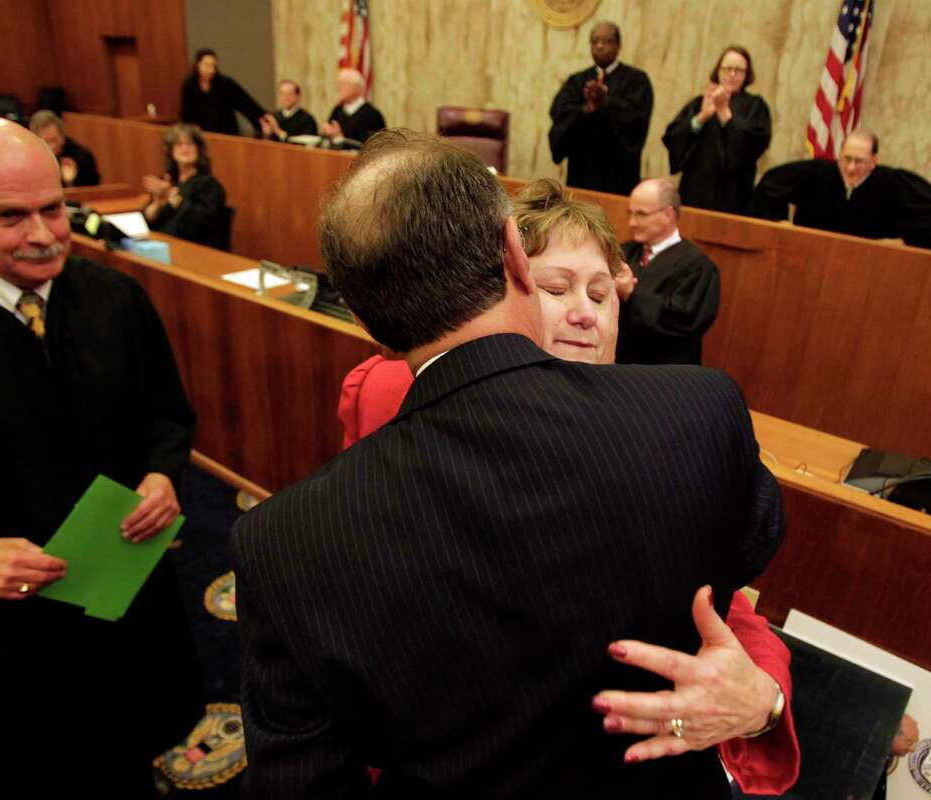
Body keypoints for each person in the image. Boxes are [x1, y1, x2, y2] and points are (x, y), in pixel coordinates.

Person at [232, 129, 784, 798]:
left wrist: (764, 694)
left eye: (600, 292)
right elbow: (734, 561)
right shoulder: (704, 408)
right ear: (517, 258)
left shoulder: (279, 543)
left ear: (364, 320)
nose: (583, 313)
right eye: (561, 288)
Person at [0, 116, 201, 799]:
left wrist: (162, 472)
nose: (42, 236)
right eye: (11, 217)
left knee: (126, 756)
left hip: (117, 603)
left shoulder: (113, 298)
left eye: (54, 208)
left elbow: (165, 414)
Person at [750, 130, 931, 254]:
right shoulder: (819, 173)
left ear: (874, 161)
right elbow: (770, 185)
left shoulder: (893, 183)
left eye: (860, 161)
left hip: (867, 274)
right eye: (846, 159)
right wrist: (780, 223)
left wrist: (904, 242)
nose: (851, 168)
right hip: (810, 260)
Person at [613, 178, 719, 365]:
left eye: (641, 214)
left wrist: (632, 294)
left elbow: (684, 321)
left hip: (663, 374)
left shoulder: (698, 267)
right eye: (630, 213)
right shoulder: (625, 251)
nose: (632, 223)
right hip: (617, 364)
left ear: (668, 214)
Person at [548, 21, 654, 196]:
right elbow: (559, 113)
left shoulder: (637, 80)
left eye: (607, 41)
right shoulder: (577, 81)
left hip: (619, 176)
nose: (600, 46)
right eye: (595, 41)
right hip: (581, 172)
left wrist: (608, 102)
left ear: (619, 45)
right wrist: (586, 110)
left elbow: (638, 120)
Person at [662, 46, 771, 215]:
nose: (732, 74)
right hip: (695, 187)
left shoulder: (756, 106)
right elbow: (673, 136)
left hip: (734, 192)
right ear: (718, 70)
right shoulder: (700, 102)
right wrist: (702, 117)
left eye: (739, 70)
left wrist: (725, 114)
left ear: (747, 74)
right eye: (728, 68)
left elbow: (755, 143)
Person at [142, 123, 228, 249]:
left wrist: (173, 197)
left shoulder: (210, 186)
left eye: (190, 144)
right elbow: (148, 224)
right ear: (171, 151)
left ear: (199, 150)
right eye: (179, 144)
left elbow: (194, 228)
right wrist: (157, 206)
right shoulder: (168, 180)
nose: (185, 149)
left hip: (195, 251)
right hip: (163, 246)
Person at [179, 47, 266, 136]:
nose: (210, 70)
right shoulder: (189, 85)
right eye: (207, 65)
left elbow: (245, 103)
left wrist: (263, 119)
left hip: (226, 132)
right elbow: (186, 113)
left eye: (213, 66)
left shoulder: (225, 84)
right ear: (198, 64)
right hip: (202, 135)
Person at [28, 109, 100, 187]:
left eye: (55, 139)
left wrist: (69, 182)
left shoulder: (82, 156)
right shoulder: (31, 159)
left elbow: (92, 191)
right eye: (47, 141)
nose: (52, 145)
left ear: (62, 135)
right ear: (36, 140)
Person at [320, 68, 386, 145]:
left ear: (357, 87)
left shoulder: (372, 115)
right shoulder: (338, 110)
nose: (339, 87)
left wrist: (341, 139)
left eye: (343, 84)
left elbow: (374, 146)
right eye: (338, 84)